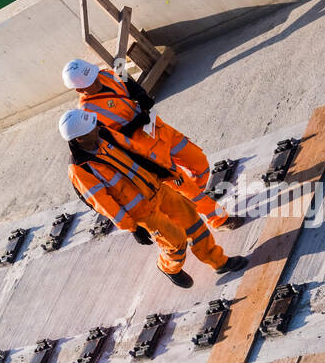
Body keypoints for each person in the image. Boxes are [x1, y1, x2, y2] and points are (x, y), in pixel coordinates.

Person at [61, 109, 247, 289]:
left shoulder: (104, 135)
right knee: (176, 242)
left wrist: (167, 171)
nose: (97, 127)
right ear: (80, 138)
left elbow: (137, 151)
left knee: (193, 221)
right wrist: (132, 227)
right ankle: (168, 267)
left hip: (157, 189)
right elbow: (102, 202)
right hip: (141, 212)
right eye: (92, 127)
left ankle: (218, 262)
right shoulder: (80, 169)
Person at [62, 58, 240, 231]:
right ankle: (218, 219)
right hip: (147, 152)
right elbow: (111, 139)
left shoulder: (107, 74)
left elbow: (127, 82)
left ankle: (186, 204)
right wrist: (136, 122)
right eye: (90, 81)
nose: (96, 81)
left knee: (200, 164)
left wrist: (141, 96)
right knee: (186, 187)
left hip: (160, 131)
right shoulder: (87, 114)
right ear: (79, 88)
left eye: (94, 75)